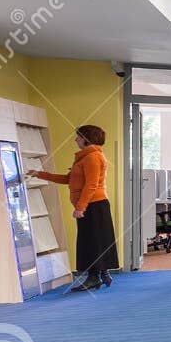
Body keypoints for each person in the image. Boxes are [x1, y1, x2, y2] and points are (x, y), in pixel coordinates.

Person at [28, 124, 120, 293]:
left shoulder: (92, 157)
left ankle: (94, 278)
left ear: (86, 139)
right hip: (92, 205)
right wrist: (39, 174)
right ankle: (102, 274)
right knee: (94, 240)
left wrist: (80, 207)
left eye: (78, 136)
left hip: (93, 205)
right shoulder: (85, 157)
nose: (75, 139)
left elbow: (91, 185)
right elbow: (68, 179)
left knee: (90, 241)